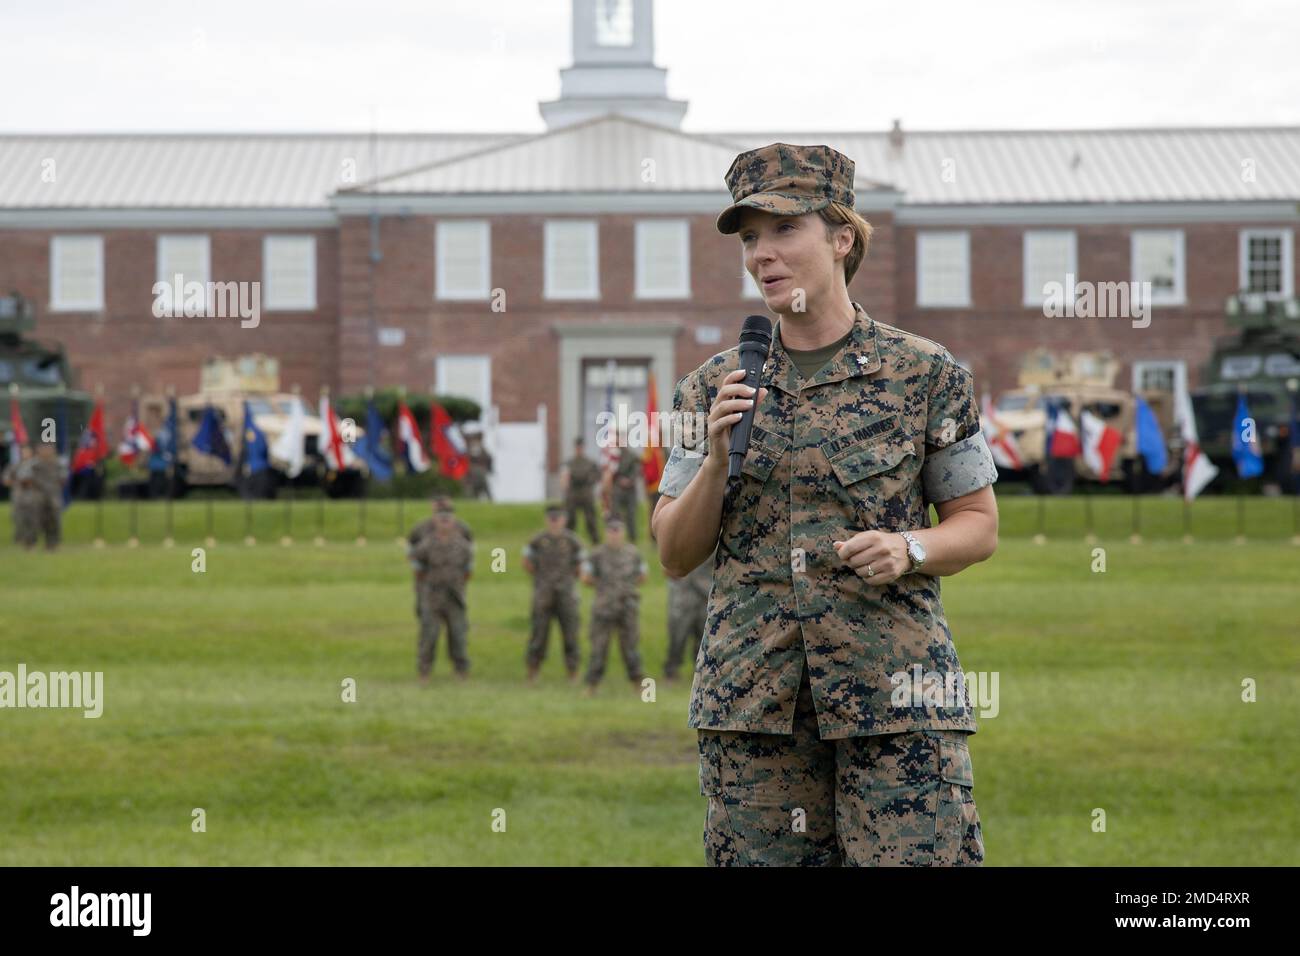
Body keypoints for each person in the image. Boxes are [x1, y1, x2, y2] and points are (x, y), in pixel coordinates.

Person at [652, 142, 1000, 867]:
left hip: (897, 703)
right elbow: (674, 552)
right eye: (750, 238)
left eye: (784, 230)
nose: (762, 255)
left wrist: (911, 548)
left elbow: (977, 524)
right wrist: (717, 460)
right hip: (756, 710)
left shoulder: (926, 374)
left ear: (842, 238)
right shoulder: (705, 390)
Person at [407, 500, 474, 681]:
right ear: (435, 520)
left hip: (455, 596)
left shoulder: (463, 545)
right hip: (432, 596)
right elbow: (416, 566)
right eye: (441, 518)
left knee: (458, 634)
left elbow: (468, 570)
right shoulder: (426, 544)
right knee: (429, 634)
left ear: (453, 521)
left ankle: (461, 672)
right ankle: (424, 672)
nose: (445, 522)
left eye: (448, 519)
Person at [580, 515, 646, 696]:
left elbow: (642, 576)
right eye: (611, 531)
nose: (615, 535)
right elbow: (585, 577)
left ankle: (638, 686)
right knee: (599, 647)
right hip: (604, 607)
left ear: (623, 532)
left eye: (618, 531)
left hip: (627, 607)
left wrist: (625, 588)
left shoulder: (633, 553)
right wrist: (604, 586)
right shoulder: (596, 554)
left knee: (631, 647)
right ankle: (591, 686)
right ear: (606, 532)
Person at [522, 503, 585, 683]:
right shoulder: (537, 540)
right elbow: (526, 562)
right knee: (538, 634)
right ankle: (533, 672)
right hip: (543, 593)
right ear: (547, 520)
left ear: (564, 520)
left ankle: (573, 672)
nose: (555, 522)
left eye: (558, 519)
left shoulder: (572, 540)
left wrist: (569, 580)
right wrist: (541, 579)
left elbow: (581, 565)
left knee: (570, 634)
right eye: (552, 519)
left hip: (567, 593)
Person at [407, 494, 473, 618]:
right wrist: (417, 568)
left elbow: (470, 552)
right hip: (428, 578)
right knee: (425, 610)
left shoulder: (462, 527)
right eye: (439, 505)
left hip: (454, 578)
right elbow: (411, 549)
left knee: (456, 612)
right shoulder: (421, 527)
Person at [664, 546, 715, 685]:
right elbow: (666, 567)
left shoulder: (712, 541)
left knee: (703, 637)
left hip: (705, 596)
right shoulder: (678, 539)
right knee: (678, 636)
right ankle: (671, 673)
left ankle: (701, 675)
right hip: (683, 597)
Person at [561, 436, 601, 544]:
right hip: (573, 493)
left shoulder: (590, 462)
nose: (579, 449)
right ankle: (568, 541)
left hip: (586, 493)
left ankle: (595, 541)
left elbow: (597, 475)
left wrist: (589, 480)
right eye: (577, 447)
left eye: (581, 447)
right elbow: (564, 478)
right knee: (570, 519)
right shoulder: (569, 463)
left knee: (590, 519)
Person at [607, 435, 641, 542]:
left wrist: (629, 480)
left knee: (630, 514)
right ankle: (615, 535)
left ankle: (632, 538)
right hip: (618, 489)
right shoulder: (615, 456)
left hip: (630, 490)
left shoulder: (632, 456)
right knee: (615, 513)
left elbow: (636, 471)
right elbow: (612, 472)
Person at [464, 432, 493, 501]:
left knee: (482, 488)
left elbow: (488, 458)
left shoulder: (476, 447)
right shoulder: (477, 447)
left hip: (477, 471)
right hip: (475, 472)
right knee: (477, 488)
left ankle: (487, 500)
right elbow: (489, 458)